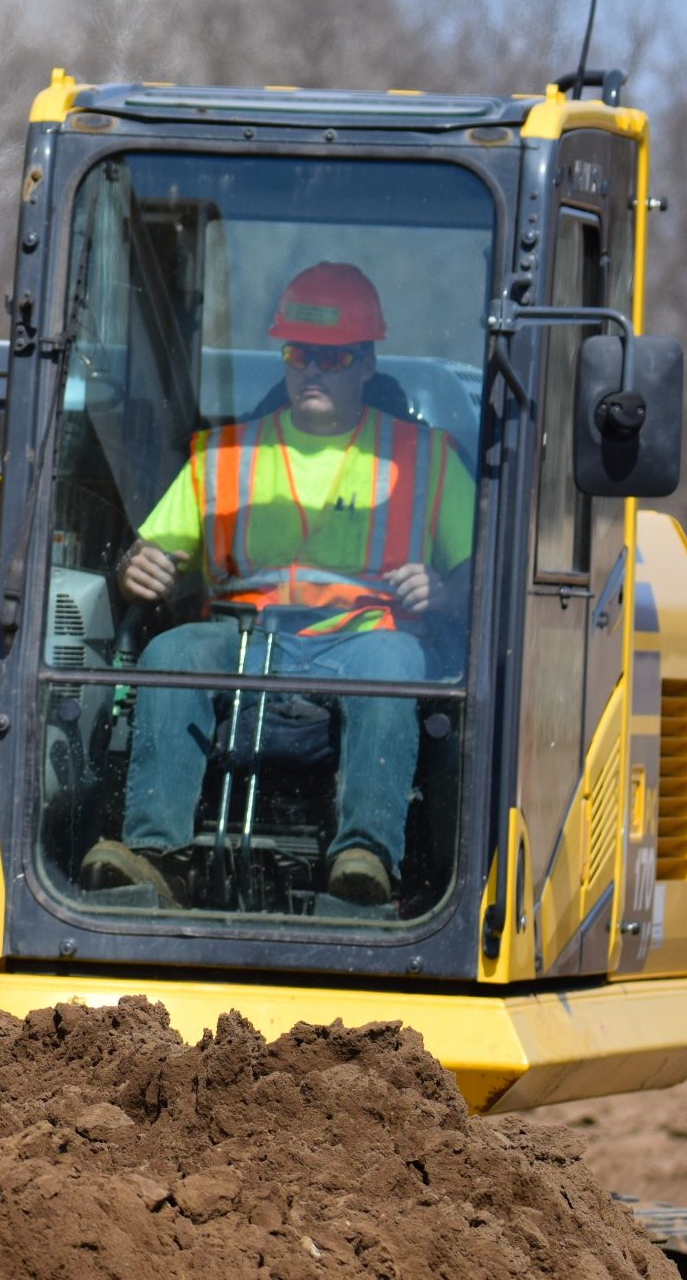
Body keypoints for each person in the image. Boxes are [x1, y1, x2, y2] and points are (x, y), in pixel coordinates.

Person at [79, 261, 471, 909]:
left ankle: (365, 858)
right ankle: (153, 857)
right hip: (244, 641)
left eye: (332, 355)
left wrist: (446, 591)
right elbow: (149, 555)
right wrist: (133, 571)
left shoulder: (425, 457)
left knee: (396, 660)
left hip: (363, 637)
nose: (312, 370)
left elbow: (472, 579)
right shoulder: (223, 454)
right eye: (297, 354)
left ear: (367, 363)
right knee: (171, 653)